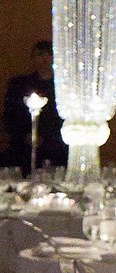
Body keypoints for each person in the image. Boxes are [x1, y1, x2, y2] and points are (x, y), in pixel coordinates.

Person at [2, 41, 63, 174]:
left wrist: (47, 137)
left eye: (49, 55)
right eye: (40, 55)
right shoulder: (19, 85)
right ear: (33, 58)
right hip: (23, 145)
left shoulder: (62, 88)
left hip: (55, 147)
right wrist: (25, 135)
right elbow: (10, 115)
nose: (45, 59)